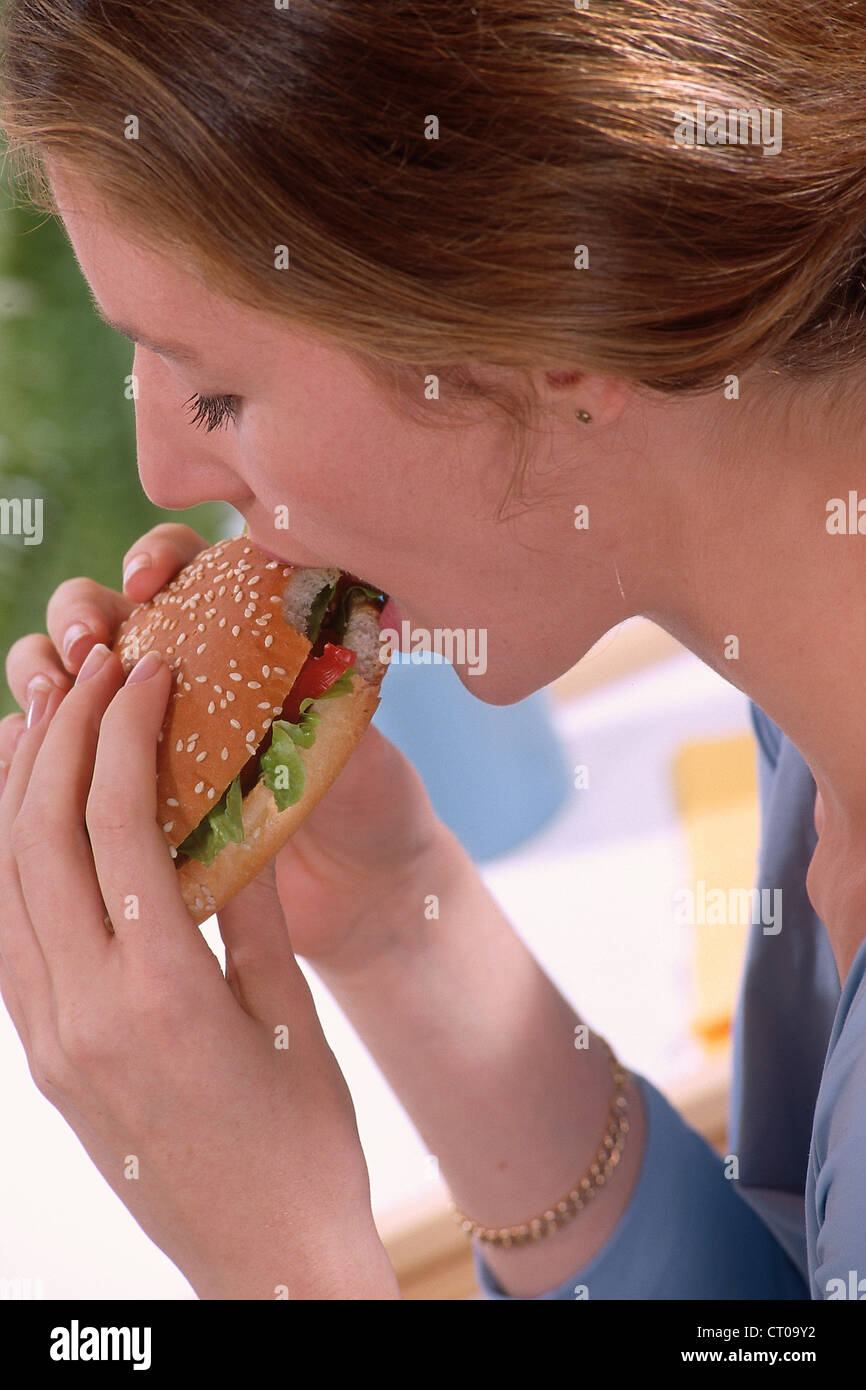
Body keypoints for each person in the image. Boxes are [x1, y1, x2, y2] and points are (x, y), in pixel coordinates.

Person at [0, 0, 864, 1300]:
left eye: (218, 390)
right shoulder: (807, 724)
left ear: (566, 316)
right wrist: (396, 922)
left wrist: (286, 1266)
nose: (165, 470)